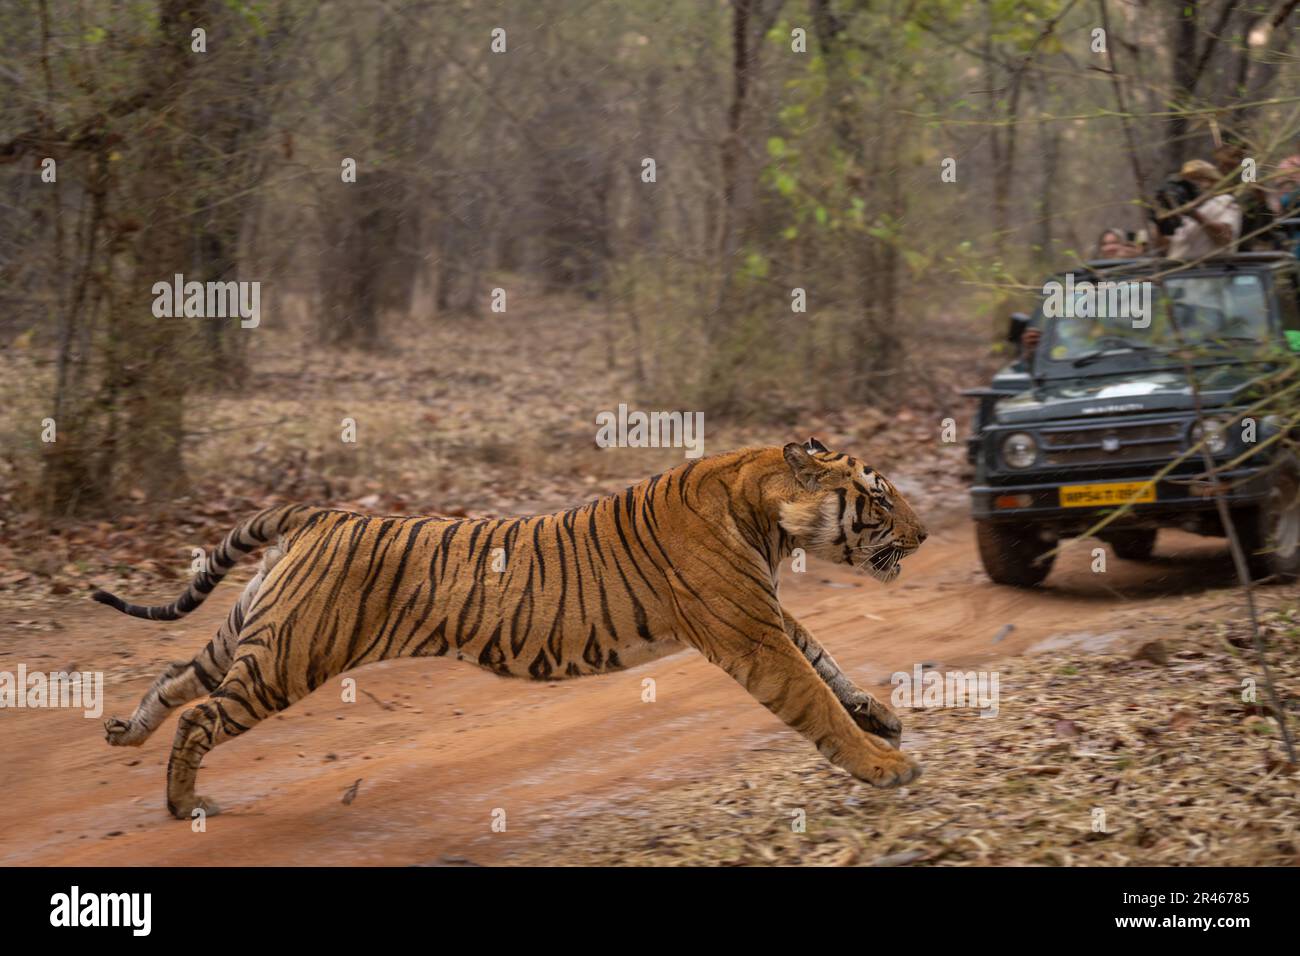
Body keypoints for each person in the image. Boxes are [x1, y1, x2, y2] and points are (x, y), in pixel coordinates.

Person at [1152, 159, 1241, 261]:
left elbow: (1225, 237)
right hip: (1180, 272)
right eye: (1189, 180)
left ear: (1213, 181)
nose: (1193, 184)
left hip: (1210, 270)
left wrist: (1194, 214)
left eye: (1198, 178)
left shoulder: (1225, 202)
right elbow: (1164, 250)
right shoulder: (1186, 214)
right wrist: (1160, 222)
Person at [1214, 143, 1278, 250]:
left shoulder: (1247, 166)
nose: (1222, 165)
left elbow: (1258, 193)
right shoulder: (1220, 170)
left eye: (1226, 163)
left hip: (1248, 216)